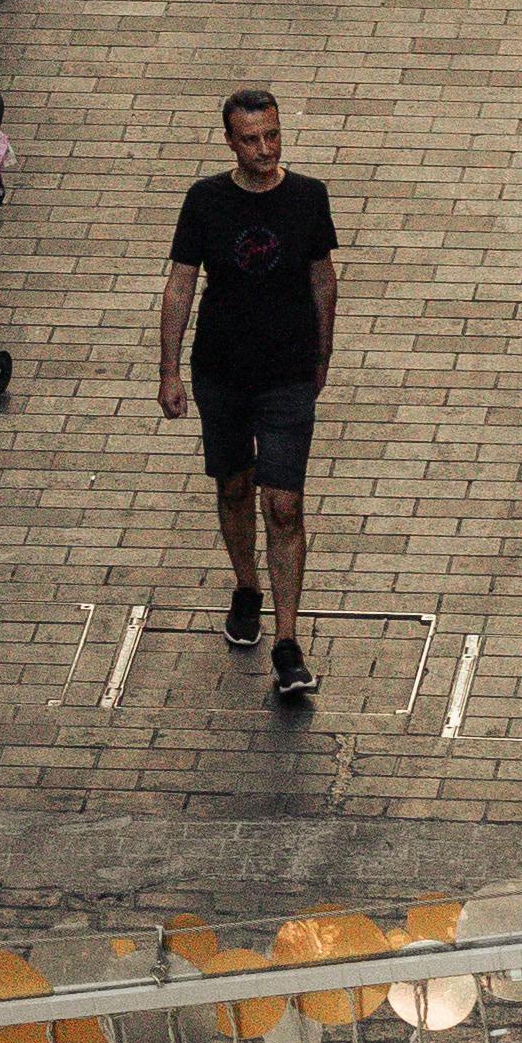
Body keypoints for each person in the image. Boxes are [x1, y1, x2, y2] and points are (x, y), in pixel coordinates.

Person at [158, 84, 338, 708]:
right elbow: (181, 284)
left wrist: (323, 352)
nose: (265, 150)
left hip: (287, 375)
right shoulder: (205, 201)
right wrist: (169, 370)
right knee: (234, 484)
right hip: (222, 373)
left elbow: (322, 276)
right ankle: (245, 586)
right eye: (252, 140)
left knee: (284, 505)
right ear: (229, 141)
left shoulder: (309, 197)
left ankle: (287, 643)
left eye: (273, 136)